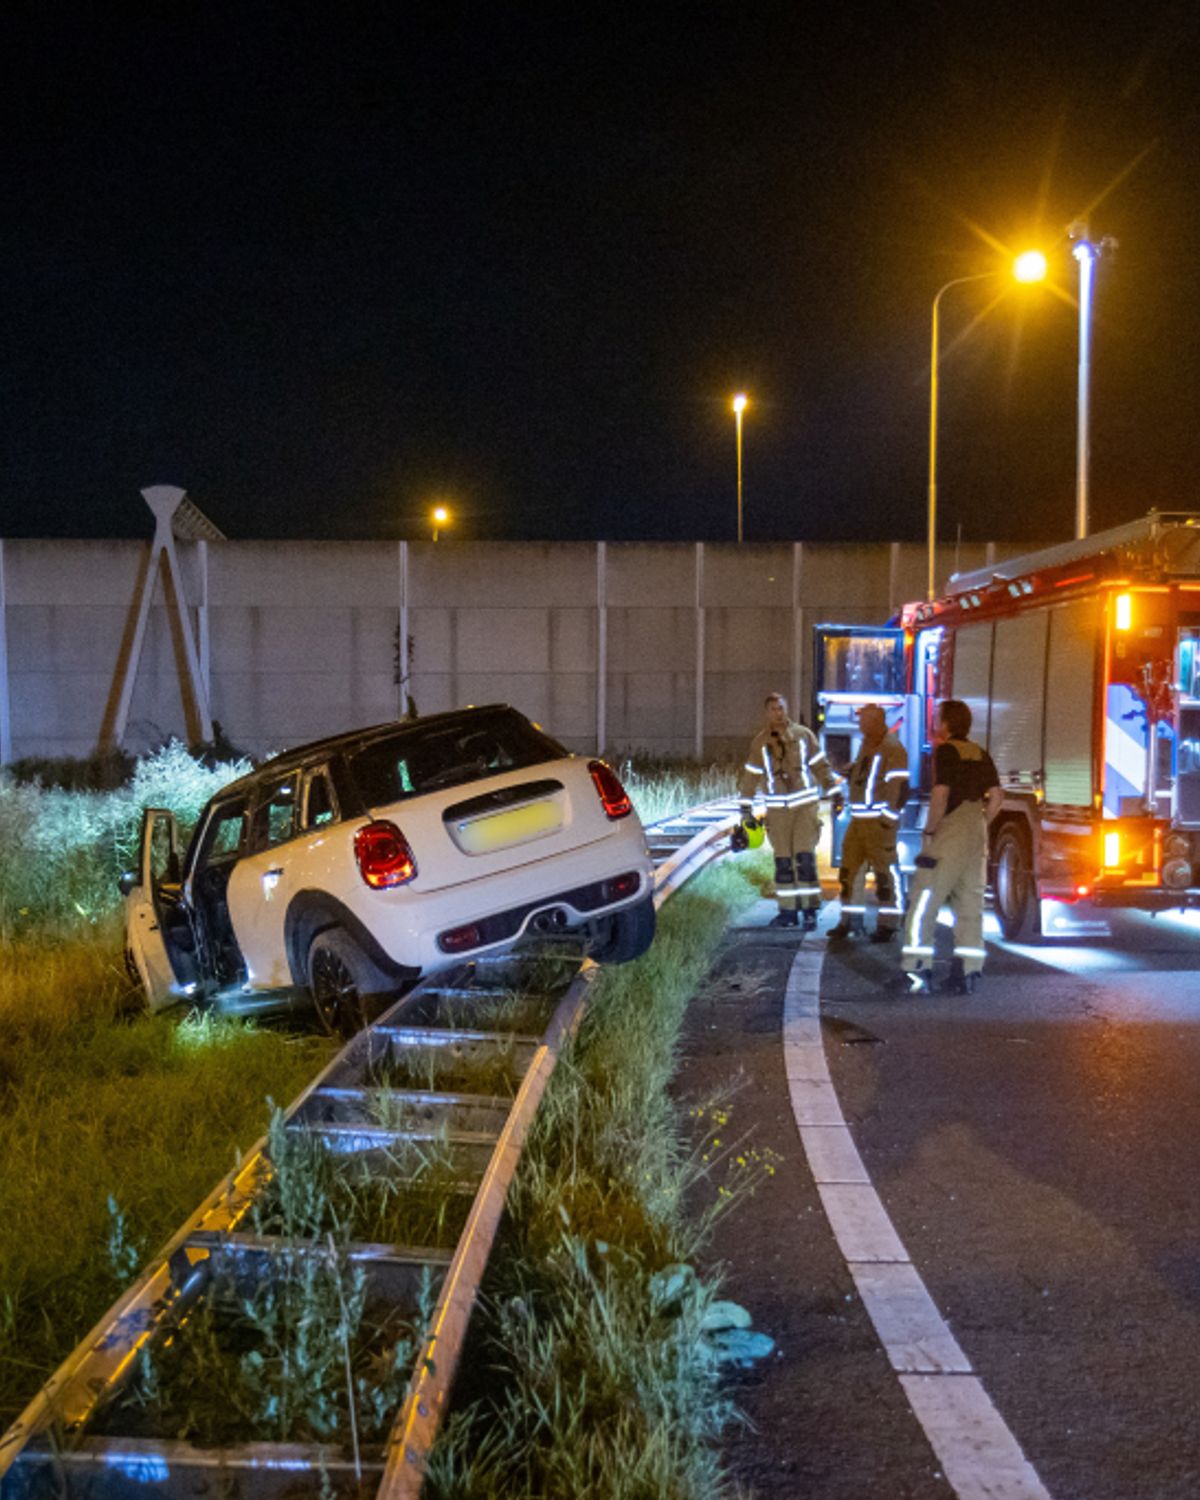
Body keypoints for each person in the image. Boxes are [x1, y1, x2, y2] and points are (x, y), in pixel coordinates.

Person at [900, 698, 1003, 994]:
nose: (934, 720)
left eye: (937, 716)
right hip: (977, 831)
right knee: (970, 905)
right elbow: (997, 796)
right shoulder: (980, 752)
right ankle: (967, 973)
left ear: (946, 723)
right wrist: (982, 822)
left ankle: (916, 970)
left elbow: (941, 794)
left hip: (952, 830)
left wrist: (931, 830)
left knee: (924, 898)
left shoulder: (946, 751)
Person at [738, 692, 841, 930]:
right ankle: (788, 911)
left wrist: (834, 792)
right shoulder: (760, 743)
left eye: (781, 707)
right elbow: (751, 776)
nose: (778, 712)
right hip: (778, 811)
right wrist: (746, 807)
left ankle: (810, 909)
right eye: (773, 708)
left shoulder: (804, 736)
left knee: (804, 859)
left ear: (787, 709)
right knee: (783, 862)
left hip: (804, 808)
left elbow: (820, 766)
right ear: (767, 712)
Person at [828, 702, 908, 943]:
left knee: (885, 875)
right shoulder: (867, 744)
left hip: (877, 824)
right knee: (850, 873)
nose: (860, 724)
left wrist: (887, 820)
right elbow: (867, 776)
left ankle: (888, 924)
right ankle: (850, 920)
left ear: (877, 722)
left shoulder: (892, 748)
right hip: (859, 821)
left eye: (864, 720)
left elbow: (898, 788)